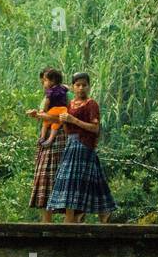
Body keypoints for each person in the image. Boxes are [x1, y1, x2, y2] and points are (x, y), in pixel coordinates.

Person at [44, 72, 115, 223]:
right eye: (78, 85)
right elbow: (60, 120)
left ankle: (74, 218)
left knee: (76, 182)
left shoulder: (91, 104)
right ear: (72, 87)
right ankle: (90, 215)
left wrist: (73, 120)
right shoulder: (71, 105)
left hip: (83, 146)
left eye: (84, 85)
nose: (81, 88)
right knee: (78, 181)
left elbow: (95, 129)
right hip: (71, 146)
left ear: (89, 87)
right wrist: (39, 115)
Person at [26, 68, 69, 222]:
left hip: (60, 140)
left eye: (44, 80)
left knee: (56, 176)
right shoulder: (63, 91)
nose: (43, 84)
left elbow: (61, 118)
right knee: (46, 178)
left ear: (51, 81)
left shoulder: (57, 95)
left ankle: (68, 221)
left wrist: (38, 114)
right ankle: (47, 221)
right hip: (52, 140)